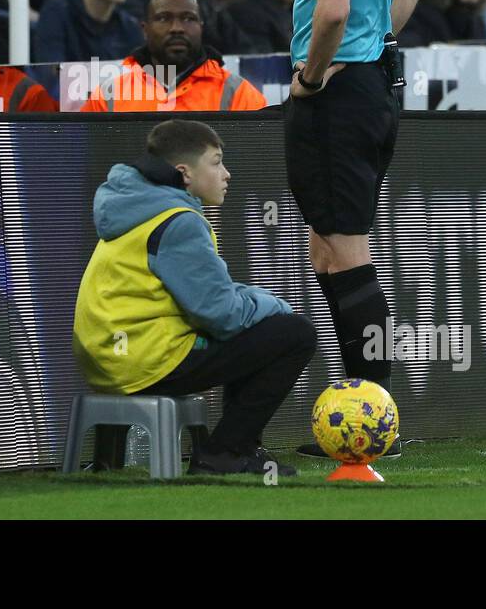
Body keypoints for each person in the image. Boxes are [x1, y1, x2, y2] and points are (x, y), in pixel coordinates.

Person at [276, 0, 426, 460]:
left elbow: (332, 8)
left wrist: (313, 76)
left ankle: (373, 417)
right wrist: (375, 49)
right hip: (369, 87)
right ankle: (366, 402)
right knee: (325, 247)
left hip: (336, 98)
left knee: (346, 249)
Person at [72, 118, 315, 475]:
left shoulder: (136, 208)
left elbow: (211, 303)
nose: (226, 174)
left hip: (106, 358)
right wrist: (275, 305)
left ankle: (234, 447)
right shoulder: (179, 221)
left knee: (255, 330)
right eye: (216, 162)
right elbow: (222, 315)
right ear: (185, 174)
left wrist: (256, 306)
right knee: (295, 334)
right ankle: (226, 451)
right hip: (147, 359)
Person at [78, 0, 268, 112]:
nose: (177, 28)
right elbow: (88, 167)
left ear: (201, 26)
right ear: (145, 29)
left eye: (188, 18)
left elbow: (258, 165)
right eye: (163, 18)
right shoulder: (107, 95)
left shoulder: (239, 94)